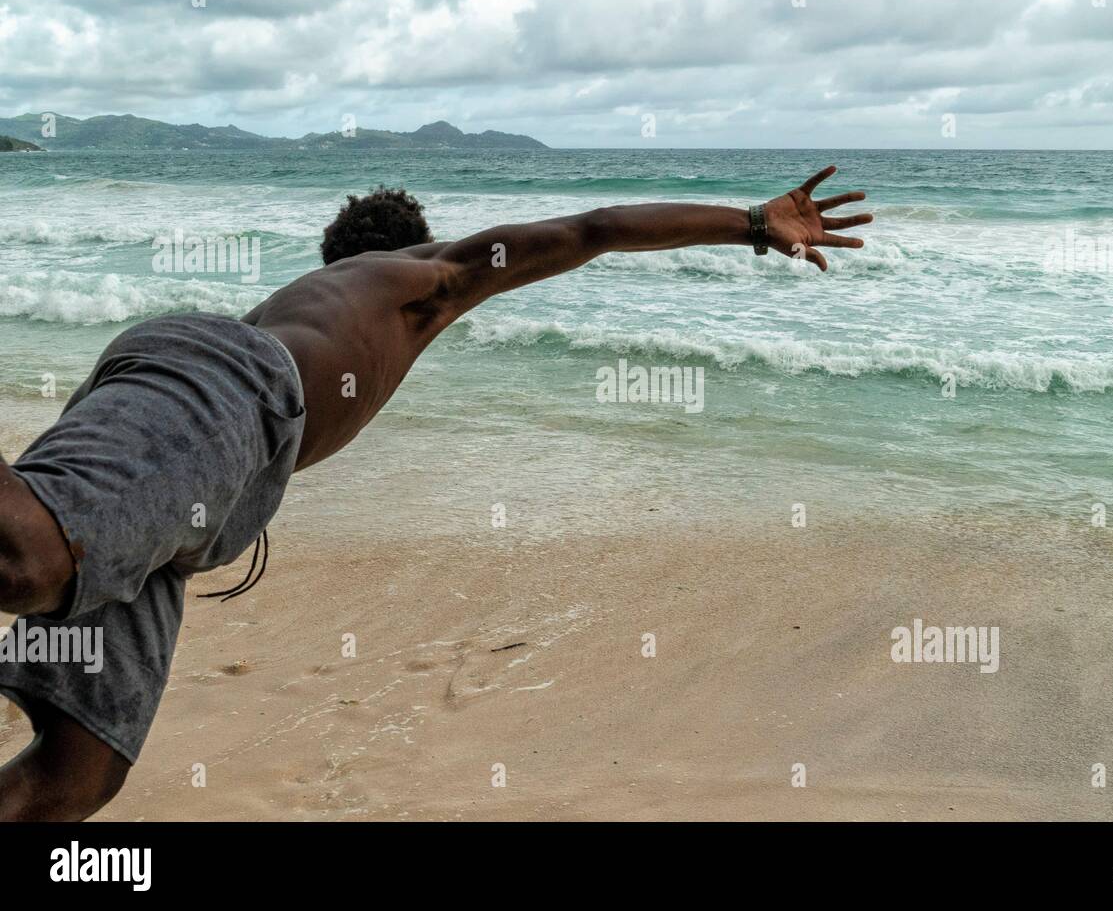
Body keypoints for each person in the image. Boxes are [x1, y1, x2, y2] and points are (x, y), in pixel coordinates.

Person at [0, 166, 871, 820]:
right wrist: (753, 222)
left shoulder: (324, 295)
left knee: (82, 771)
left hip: (222, 473)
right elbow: (596, 225)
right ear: (407, 243)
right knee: (30, 559)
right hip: (234, 393)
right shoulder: (426, 277)